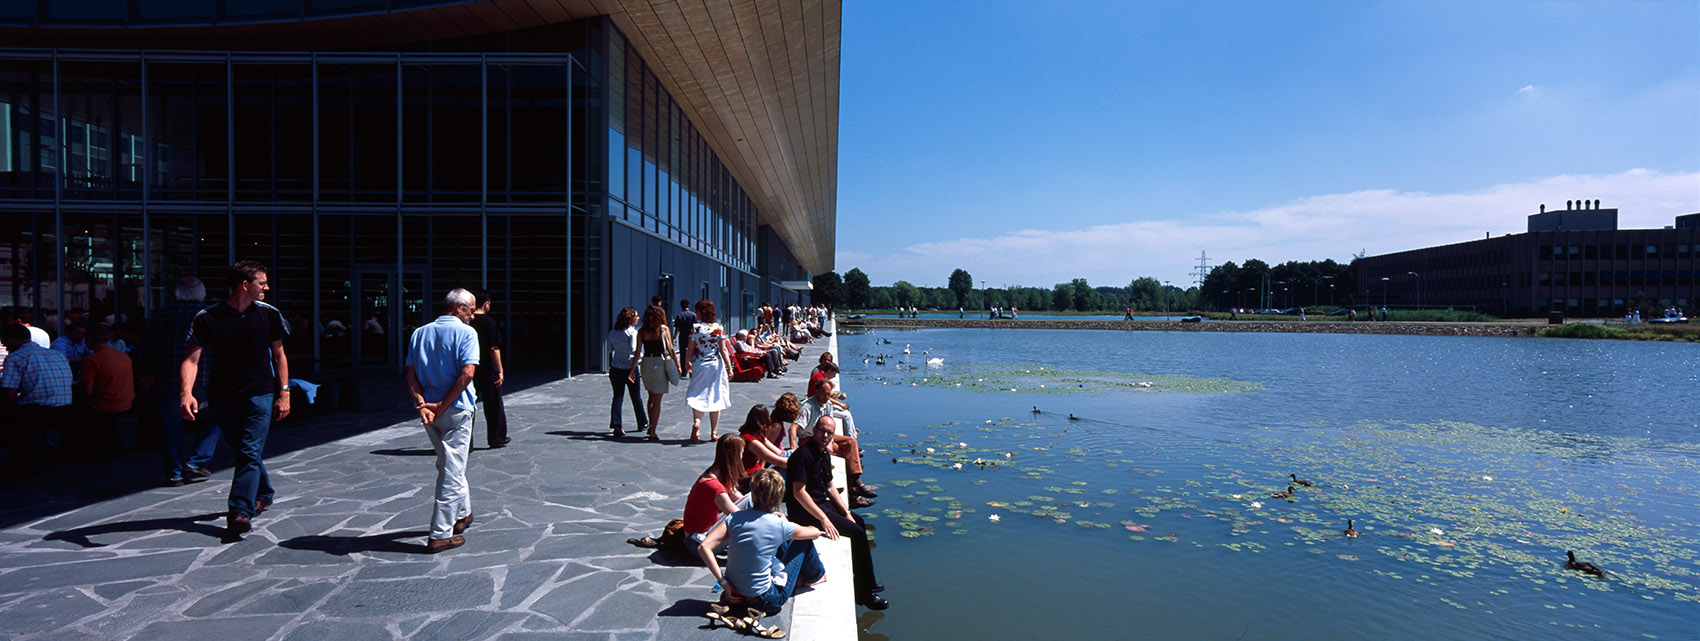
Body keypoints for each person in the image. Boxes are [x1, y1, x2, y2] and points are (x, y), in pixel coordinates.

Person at [180, 260, 290, 539]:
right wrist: (186, 393)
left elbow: (279, 355)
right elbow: (192, 359)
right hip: (222, 396)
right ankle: (263, 492)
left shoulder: (269, 314)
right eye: (262, 283)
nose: (267, 287)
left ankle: (240, 512)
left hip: (261, 394)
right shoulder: (208, 317)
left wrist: (284, 392)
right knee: (245, 452)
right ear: (245, 285)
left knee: (249, 451)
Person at [404, 288, 481, 553]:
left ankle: (463, 514)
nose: (472, 316)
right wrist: (441, 404)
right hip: (455, 408)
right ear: (459, 308)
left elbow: (410, 374)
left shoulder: (419, 332)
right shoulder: (467, 333)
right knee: (451, 470)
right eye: (470, 310)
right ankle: (440, 533)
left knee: (449, 464)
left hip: (430, 411)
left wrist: (421, 404)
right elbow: (467, 374)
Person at [786, 415, 887, 610]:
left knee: (858, 522)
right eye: (822, 431)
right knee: (856, 534)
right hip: (805, 511)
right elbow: (798, 493)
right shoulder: (802, 455)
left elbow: (830, 486)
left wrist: (845, 511)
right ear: (814, 431)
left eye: (829, 433)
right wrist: (823, 519)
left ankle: (868, 581)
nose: (825, 435)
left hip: (821, 504)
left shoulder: (823, 454)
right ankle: (864, 594)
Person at [697, 468, 826, 617]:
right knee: (803, 543)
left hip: (733, 595)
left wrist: (724, 582)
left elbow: (704, 546)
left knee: (772, 543)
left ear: (754, 493)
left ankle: (795, 577)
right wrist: (787, 522)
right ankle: (815, 576)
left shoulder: (734, 518)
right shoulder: (779, 524)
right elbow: (815, 533)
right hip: (765, 600)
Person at [150, 276, 218, 487]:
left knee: (172, 427)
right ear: (202, 293)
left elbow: (150, 347)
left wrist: (146, 373)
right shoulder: (211, 314)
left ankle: (174, 473)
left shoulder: (162, 315)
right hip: (206, 378)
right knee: (215, 419)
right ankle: (197, 459)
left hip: (169, 379)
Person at [0, 323, 74, 474]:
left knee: (6, 415)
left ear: (11, 340)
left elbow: (10, 395)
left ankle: (19, 457)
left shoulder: (15, 357)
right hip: (66, 406)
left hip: (38, 409)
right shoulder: (56, 354)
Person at [79, 324, 133, 462]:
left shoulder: (91, 360)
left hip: (104, 405)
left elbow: (88, 391)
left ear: (88, 340)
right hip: (126, 401)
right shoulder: (123, 356)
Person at [683, 434, 748, 545]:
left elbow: (738, 496)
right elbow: (737, 516)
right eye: (741, 452)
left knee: (750, 499)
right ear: (735, 455)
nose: (742, 457)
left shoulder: (719, 473)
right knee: (745, 523)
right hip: (697, 541)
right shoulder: (714, 486)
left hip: (705, 530)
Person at [685, 299, 732, 443]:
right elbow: (723, 350)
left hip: (699, 364)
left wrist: (687, 362)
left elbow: (690, 347)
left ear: (701, 312)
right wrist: (729, 367)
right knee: (715, 395)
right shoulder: (718, 328)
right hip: (715, 365)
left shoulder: (696, 328)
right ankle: (714, 432)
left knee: (698, 393)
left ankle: (697, 423)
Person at [469, 291, 509, 449]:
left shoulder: (468, 322)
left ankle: (467, 441)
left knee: (468, 405)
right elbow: (493, 348)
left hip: (470, 367)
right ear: (486, 303)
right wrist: (500, 369)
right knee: (493, 405)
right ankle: (496, 438)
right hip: (487, 368)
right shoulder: (489, 323)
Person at [637, 305, 681, 441]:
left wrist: (633, 369)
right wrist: (678, 365)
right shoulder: (663, 329)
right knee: (657, 400)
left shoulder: (642, 331)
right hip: (659, 362)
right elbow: (671, 349)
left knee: (651, 397)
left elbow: (638, 351)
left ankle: (651, 426)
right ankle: (653, 430)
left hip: (646, 364)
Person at [606, 306, 648, 438]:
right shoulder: (632, 332)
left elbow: (609, 348)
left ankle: (617, 425)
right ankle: (642, 422)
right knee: (636, 396)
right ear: (630, 318)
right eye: (636, 316)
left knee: (618, 396)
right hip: (630, 367)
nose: (638, 318)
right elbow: (634, 350)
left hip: (616, 366)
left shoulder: (613, 332)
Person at [738, 404, 788, 477]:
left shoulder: (759, 434)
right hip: (750, 477)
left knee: (790, 453)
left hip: (757, 470)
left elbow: (779, 452)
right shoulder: (749, 440)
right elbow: (778, 461)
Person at [673, 299, 698, 377]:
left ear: (681, 306)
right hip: (691, 336)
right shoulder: (693, 315)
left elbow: (677, 328)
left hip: (682, 336)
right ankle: (691, 370)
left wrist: (674, 337)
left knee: (683, 353)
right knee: (691, 352)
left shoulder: (679, 315)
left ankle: (684, 371)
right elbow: (696, 327)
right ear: (688, 305)